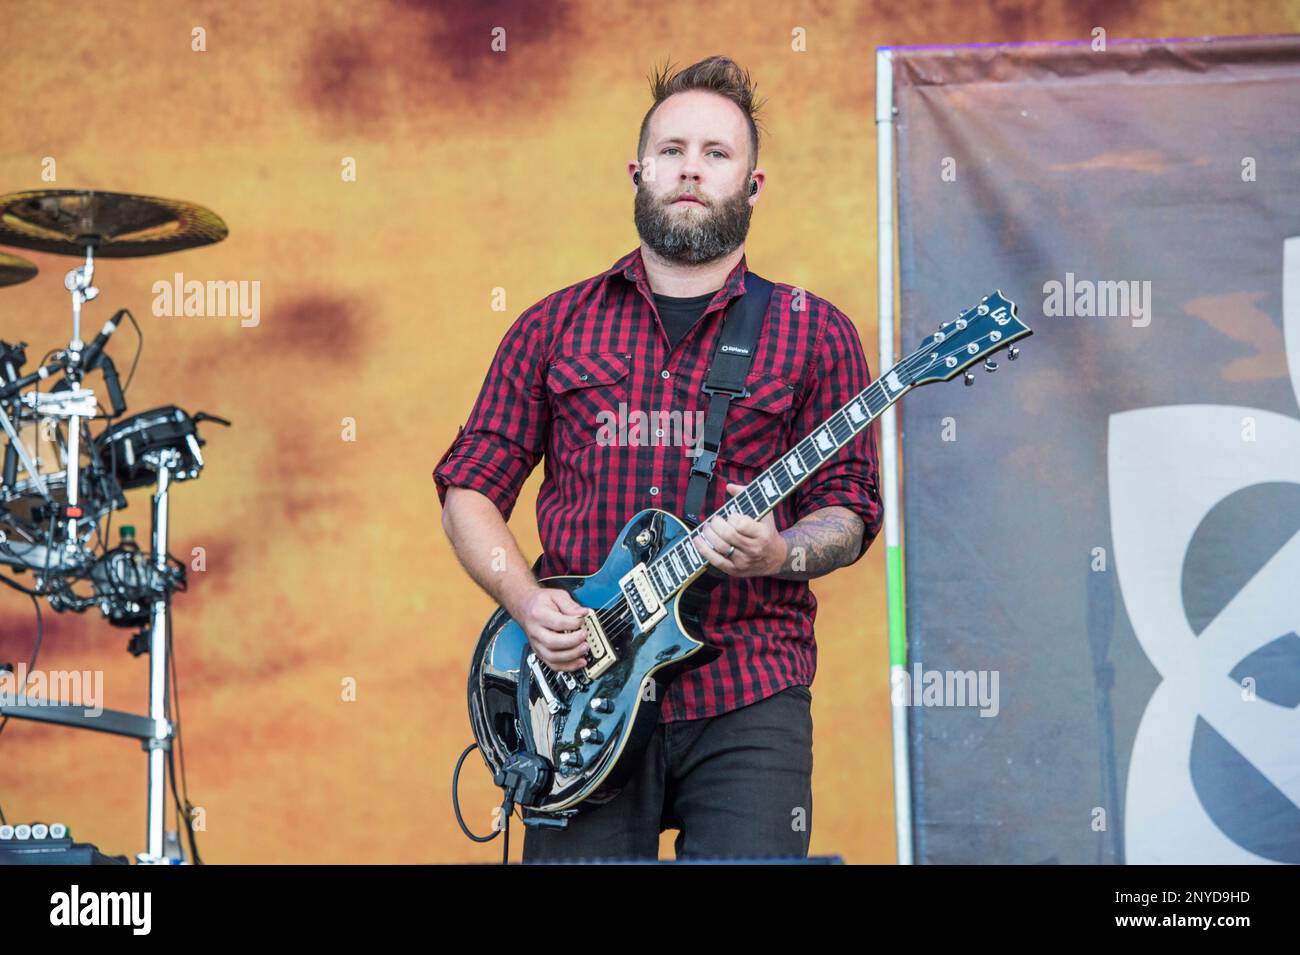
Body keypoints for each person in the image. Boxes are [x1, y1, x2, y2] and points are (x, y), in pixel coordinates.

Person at [435, 55, 882, 861]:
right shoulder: (551, 326)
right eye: (673, 149)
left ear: (753, 183)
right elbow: (469, 487)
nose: (691, 169)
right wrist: (528, 601)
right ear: (638, 172)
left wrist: (784, 551)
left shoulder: (816, 332)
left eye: (718, 153)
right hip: (577, 696)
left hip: (749, 687)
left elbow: (848, 505)